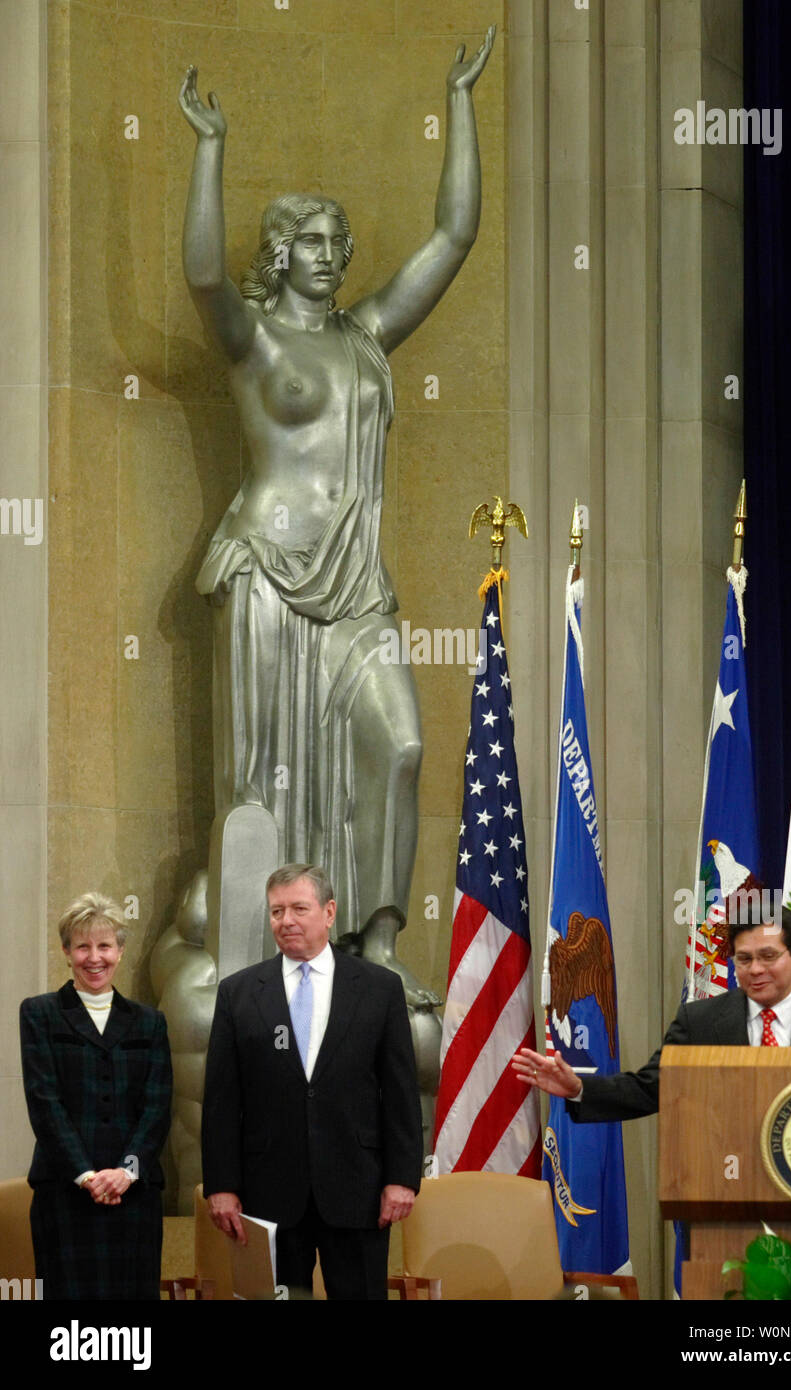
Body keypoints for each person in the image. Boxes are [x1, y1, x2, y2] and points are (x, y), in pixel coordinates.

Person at [178, 29, 495, 940]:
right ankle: (251, 942)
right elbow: (202, 274)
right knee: (257, 782)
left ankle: (380, 945)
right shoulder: (254, 343)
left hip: (355, 588)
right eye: (309, 240)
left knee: (399, 746)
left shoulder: (366, 337)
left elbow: (454, 235)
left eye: (335, 239)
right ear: (279, 251)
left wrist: (461, 104)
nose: (328, 252)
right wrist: (211, 150)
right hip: (265, 577)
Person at [201, 864, 423, 1300]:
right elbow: (221, 1100)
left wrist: (403, 1178)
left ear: (329, 912)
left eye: (299, 908)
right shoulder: (238, 993)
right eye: (277, 911)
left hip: (358, 1193)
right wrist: (222, 1185)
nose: (286, 921)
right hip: (269, 1196)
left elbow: (400, 1093)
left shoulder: (380, 989)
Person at [513, 907, 791, 1119]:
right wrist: (579, 1088)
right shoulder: (699, 1022)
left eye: (768, 956)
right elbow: (650, 1089)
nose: (755, 969)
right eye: (744, 959)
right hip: (723, 1193)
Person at [19, 893, 173, 1300]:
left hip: (134, 1194)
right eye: (83, 946)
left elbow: (157, 1107)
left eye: (105, 945)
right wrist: (87, 1175)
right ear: (67, 951)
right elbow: (44, 1103)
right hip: (65, 1192)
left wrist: (126, 1171)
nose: (95, 957)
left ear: (120, 951)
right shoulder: (39, 1014)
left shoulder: (149, 1022)